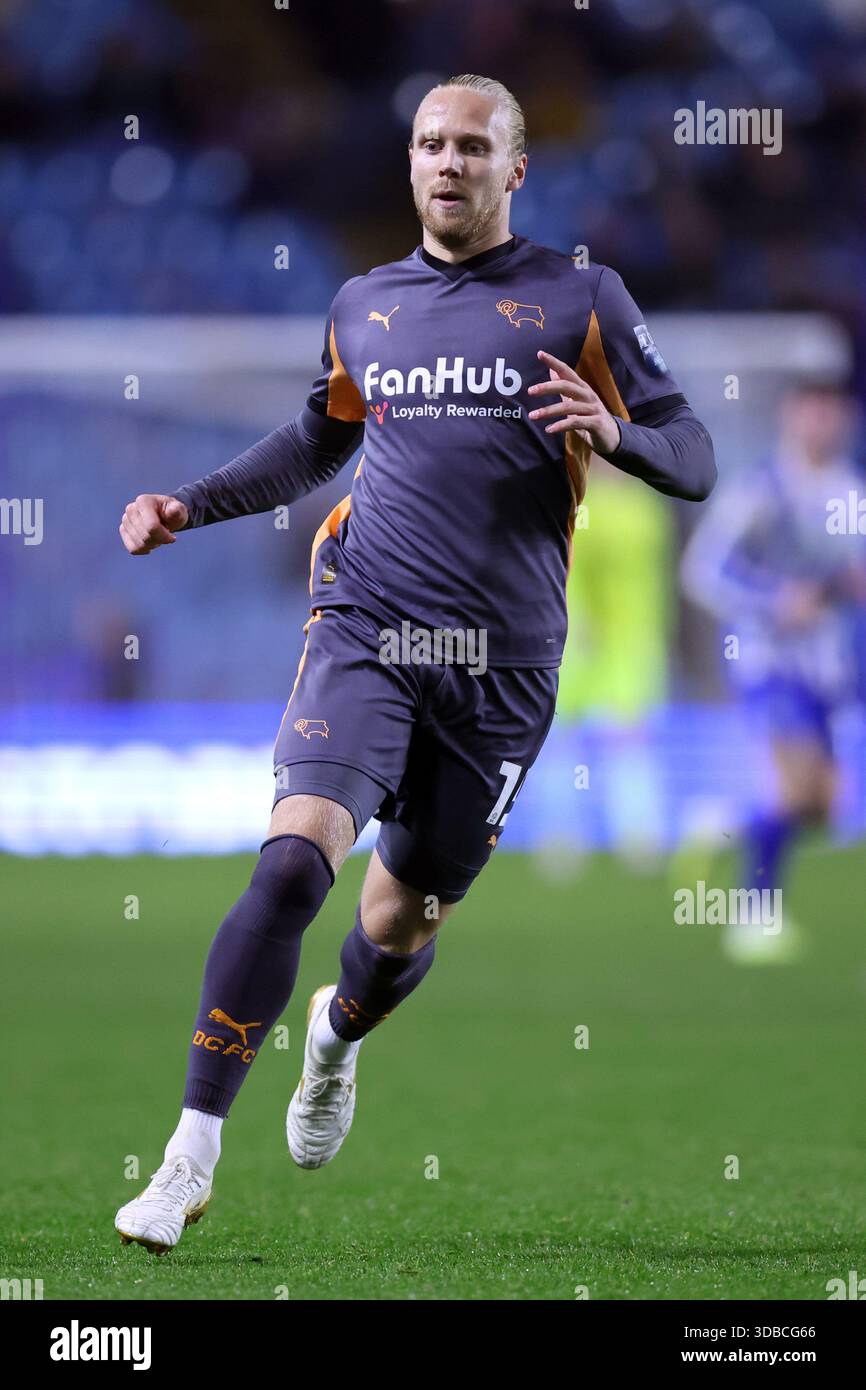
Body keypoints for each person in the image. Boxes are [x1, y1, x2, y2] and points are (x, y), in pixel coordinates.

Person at [115, 73, 716, 1254]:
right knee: (292, 867)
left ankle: (335, 1041)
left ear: (513, 170)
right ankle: (187, 1154)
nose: (447, 163)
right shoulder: (362, 305)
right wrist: (190, 502)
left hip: (501, 667)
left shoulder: (578, 297)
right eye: (429, 144)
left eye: (471, 147)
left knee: (397, 921)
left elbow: (692, 453)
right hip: (367, 626)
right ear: (409, 165)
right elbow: (313, 442)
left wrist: (615, 434)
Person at [681, 380, 864, 963]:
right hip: (765, 661)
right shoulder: (760, 488)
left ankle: (719, 823)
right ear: (791, 416)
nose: (822, 423)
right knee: (794, 786)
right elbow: (703, 569)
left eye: (832, 412)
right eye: (812, 410)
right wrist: (774, 600)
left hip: (825, 667)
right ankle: (753, 919)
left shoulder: (850, 492)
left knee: (820, 808)